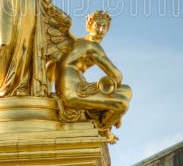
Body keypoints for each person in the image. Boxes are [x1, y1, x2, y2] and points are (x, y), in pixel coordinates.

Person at [56, 11, 131, 143]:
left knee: (126, 90)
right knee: (122, 104)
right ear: (89, 26)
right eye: (98, 25)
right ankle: (102, 128)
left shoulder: (78, 42)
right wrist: (115, 114)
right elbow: (116, 75)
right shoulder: (92, 46)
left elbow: (116, 79)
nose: (101, 30)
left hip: (79, 86)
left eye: (104, 27)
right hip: (72, 92)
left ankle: (104, 119)